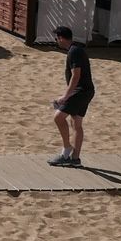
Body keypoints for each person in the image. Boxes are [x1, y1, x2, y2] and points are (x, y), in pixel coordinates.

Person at [47, 26, 93, 166]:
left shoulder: (74, 51)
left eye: (57, 39)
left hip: (80, 91)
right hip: (87, 91)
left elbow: (76, 75)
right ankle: (75, 159)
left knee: (58, 117)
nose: (56, 41)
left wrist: (65, 96)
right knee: (76, 124)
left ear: (61, 38)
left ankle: (66, 151)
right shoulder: (76, 49)